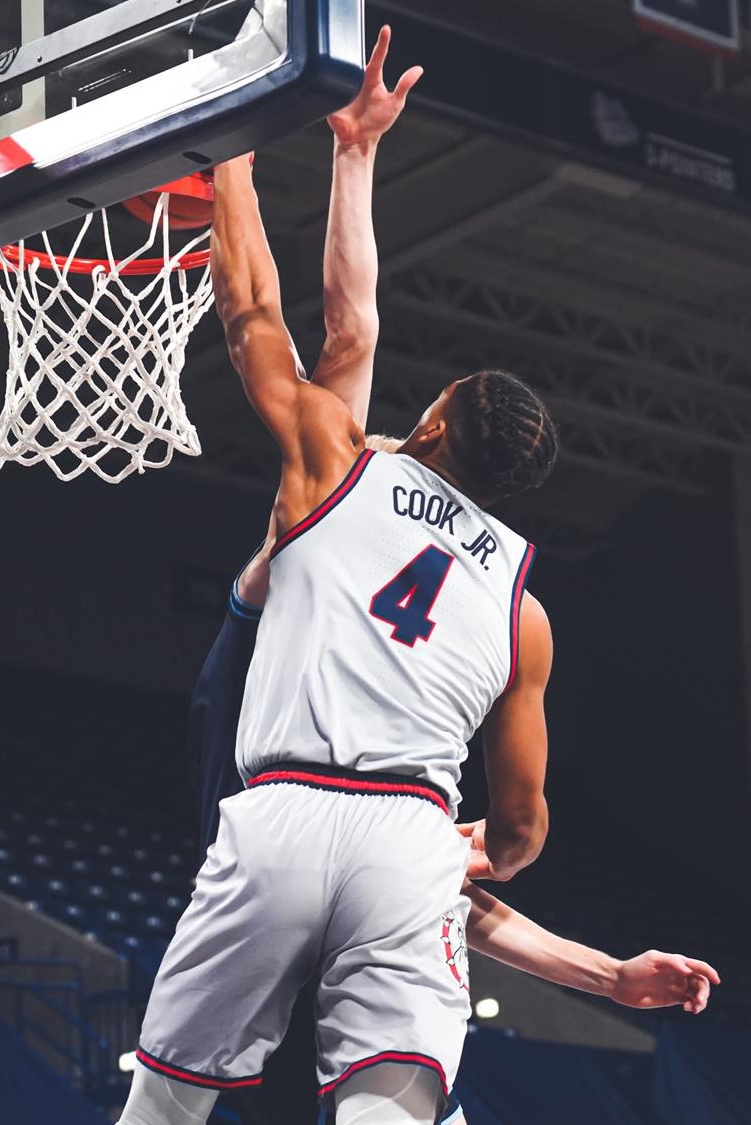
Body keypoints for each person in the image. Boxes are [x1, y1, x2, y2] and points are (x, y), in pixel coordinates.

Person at [123, 29, 614, 1125]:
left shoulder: (337, 461)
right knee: (391, 1111)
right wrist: (468, 850)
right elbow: (523, 829)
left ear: (434, 420)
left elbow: (262, 316)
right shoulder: (521, 606)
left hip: (281, 798)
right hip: (407, 830)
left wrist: (235, 150)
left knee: (164, 1102)